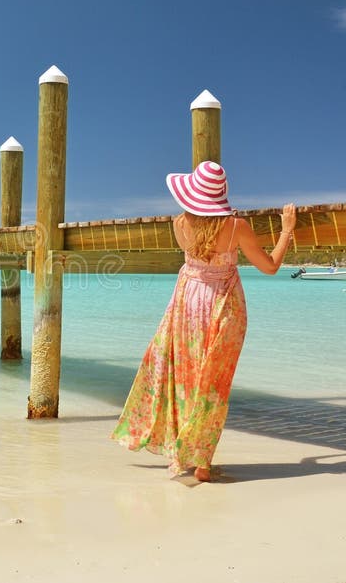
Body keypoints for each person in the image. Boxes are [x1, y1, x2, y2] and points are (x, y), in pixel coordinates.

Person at [111, 160, 296, 482]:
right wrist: (287, 231)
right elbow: (269, 267)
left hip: (187, 301)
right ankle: (202, 464)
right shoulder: (237, 227)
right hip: (220, 306)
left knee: (184, 378)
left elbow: (203, 247)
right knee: (213, 383)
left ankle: (183, 451)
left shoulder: (179, 222)